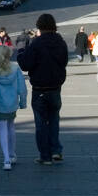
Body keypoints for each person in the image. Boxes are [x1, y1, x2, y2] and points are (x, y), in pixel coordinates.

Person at [17, 12, 69, 164]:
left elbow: (25, 65)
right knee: (54, 120)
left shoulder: (36, 44)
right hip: (55, 87)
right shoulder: (61, 42)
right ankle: (56, 151)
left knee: (41, 124)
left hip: (40, 88)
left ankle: (45, 156)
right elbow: (64, 62)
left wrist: (20, 50)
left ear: (39, 26)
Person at [0, 44, 28, 170]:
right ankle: (12, 154)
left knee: (2, 129)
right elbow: (22, 88)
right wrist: (23, 102)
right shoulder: (15, 69)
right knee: (11, 127)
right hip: (12, 103)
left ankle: (6, 159)